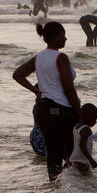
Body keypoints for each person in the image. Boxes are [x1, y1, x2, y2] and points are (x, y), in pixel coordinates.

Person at [13, 21, 81, 180]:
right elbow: (69, 90)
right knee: (71, 154)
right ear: (56, 36)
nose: (66, 39)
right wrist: (79, 114)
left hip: (44, 111)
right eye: (63, 35)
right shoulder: (60, 58)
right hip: (62, 111)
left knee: (53, 155)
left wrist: (37, 92)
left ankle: (54, 190)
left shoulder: (39, 57)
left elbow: (18, 74)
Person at [67, 104, 97, 173]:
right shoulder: (86, 129)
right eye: (94, 119)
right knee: (86, 178)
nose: (95, 122)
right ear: (88, 117)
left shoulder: (76, 126)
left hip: (74, 158)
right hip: (82, 160)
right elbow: (82, 145)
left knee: (79, 179)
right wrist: (91, 160)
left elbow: (74, 143)